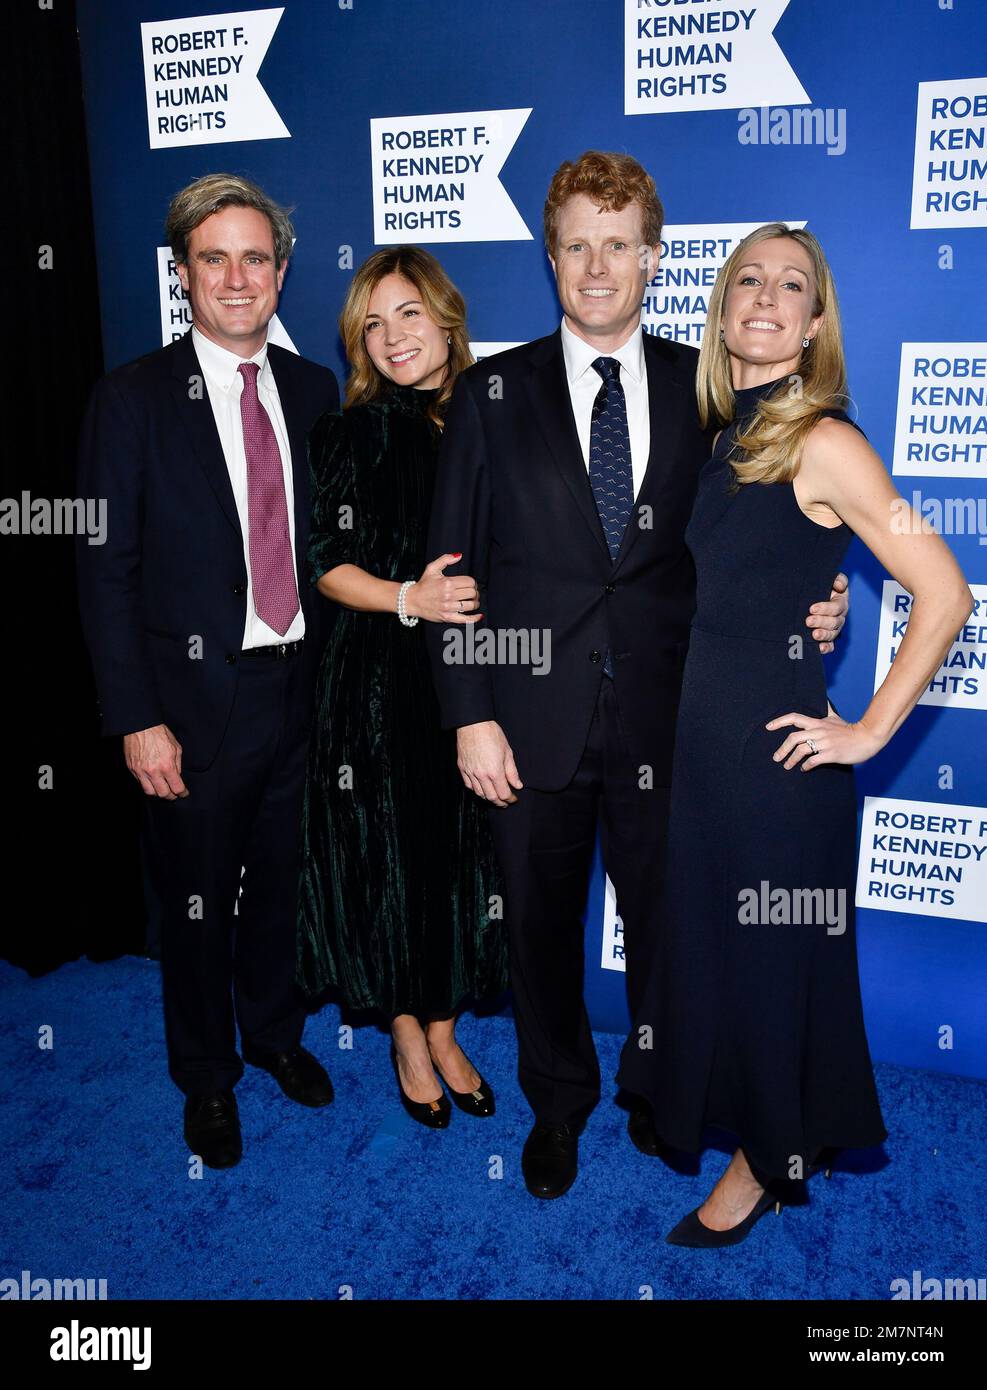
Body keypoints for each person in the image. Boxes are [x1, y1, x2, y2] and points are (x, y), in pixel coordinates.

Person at [424, 152, 852, 1198]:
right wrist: (469, 718)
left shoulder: (705, 390)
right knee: (536, 922)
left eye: (619, 245)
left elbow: (760, 538)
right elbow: (451, 571)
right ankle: (558, 1103)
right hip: (528, 718)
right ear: (553, 256)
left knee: (676, 924)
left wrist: (821, 609)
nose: (598, 265)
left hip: (681, 722)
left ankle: (667, 1090)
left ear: (652, 259)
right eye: (577, 244)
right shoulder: (488, 391)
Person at [617, 222, 973, 1246]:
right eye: (749, 281)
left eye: (793, 287)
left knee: (771, 964)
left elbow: (942, 591)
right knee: (712, 956)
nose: (767, 298)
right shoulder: (715, 434)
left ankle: (765, 1160)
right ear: (723, 305)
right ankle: (724, 1113)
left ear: (814, 324)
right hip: (694, 761)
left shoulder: (825, 439)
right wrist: (826, 606)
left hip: (773, 770)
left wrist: (865, 729)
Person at [75, 174, 339, 1169]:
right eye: (214, 258)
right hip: (187, 707)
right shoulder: (132, 397)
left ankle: (273, 1034)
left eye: (256, 257)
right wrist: (135, 718)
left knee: (277, 887)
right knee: (193, 904)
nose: (237, 277)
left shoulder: (314, 390)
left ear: (281, 270)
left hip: (297, 693)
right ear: (181, 273)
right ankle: (207, 1076)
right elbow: (104, 571)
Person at [296, 247, 508, 1128]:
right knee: (390, 860)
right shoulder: (350, 434)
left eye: (408, 314)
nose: (392, 337)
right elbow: (326, 568)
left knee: (461, 861)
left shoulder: (498, 416)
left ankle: (447, 1025)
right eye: (372, 324)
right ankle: (405, 1034)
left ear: (446, 316)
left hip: (474, 678)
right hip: (376, 684)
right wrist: (408, 597)